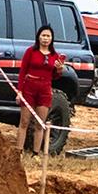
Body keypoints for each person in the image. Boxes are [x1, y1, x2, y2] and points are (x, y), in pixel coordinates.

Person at [16, 24, 62, 155]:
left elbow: (55, 76)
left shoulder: (55, 56)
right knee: (24, 121)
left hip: (45, 90)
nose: (45, 39)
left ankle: (35, 152)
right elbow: (22, 72)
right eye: (43, 35)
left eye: (48, 36)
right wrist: (19, 91)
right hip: (29, 87)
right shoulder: (31, 51)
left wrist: (59, 69)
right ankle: (18, 150)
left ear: (52, 39)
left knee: (40, 123)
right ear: (38, 37)